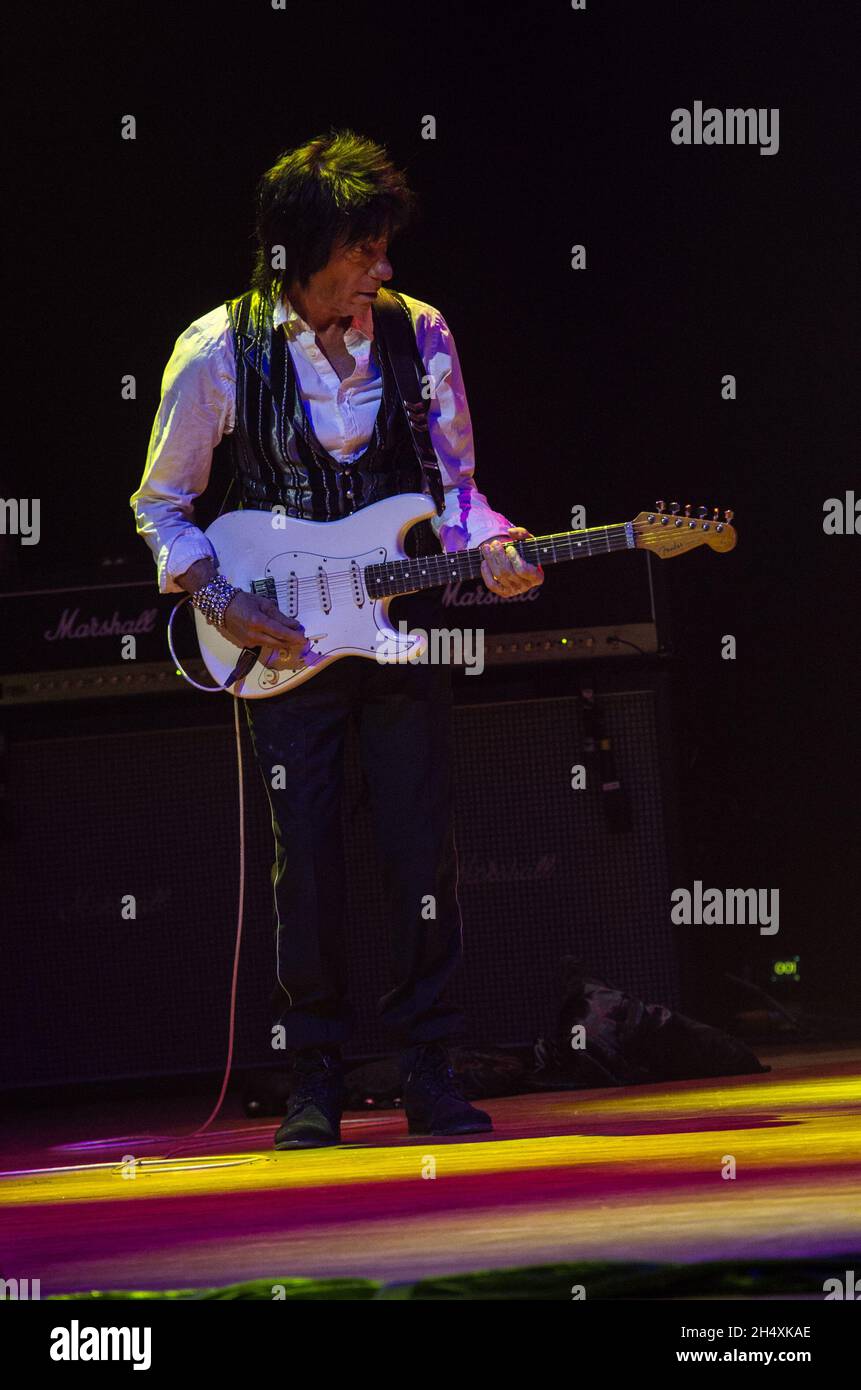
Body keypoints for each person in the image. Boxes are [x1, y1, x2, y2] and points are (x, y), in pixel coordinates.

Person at [130, 129, 543, 1149]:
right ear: (302, 250)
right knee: (303, 864)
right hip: (282, 646)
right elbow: (162, 506)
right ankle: (311, 1076)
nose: (383, 267)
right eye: (363, 249)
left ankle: (429, 1071)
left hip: (403, 633)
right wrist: (221, 600)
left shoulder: (422, 333)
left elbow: (459, 497)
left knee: (421, 855)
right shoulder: (220, 350)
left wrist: (495, 544)